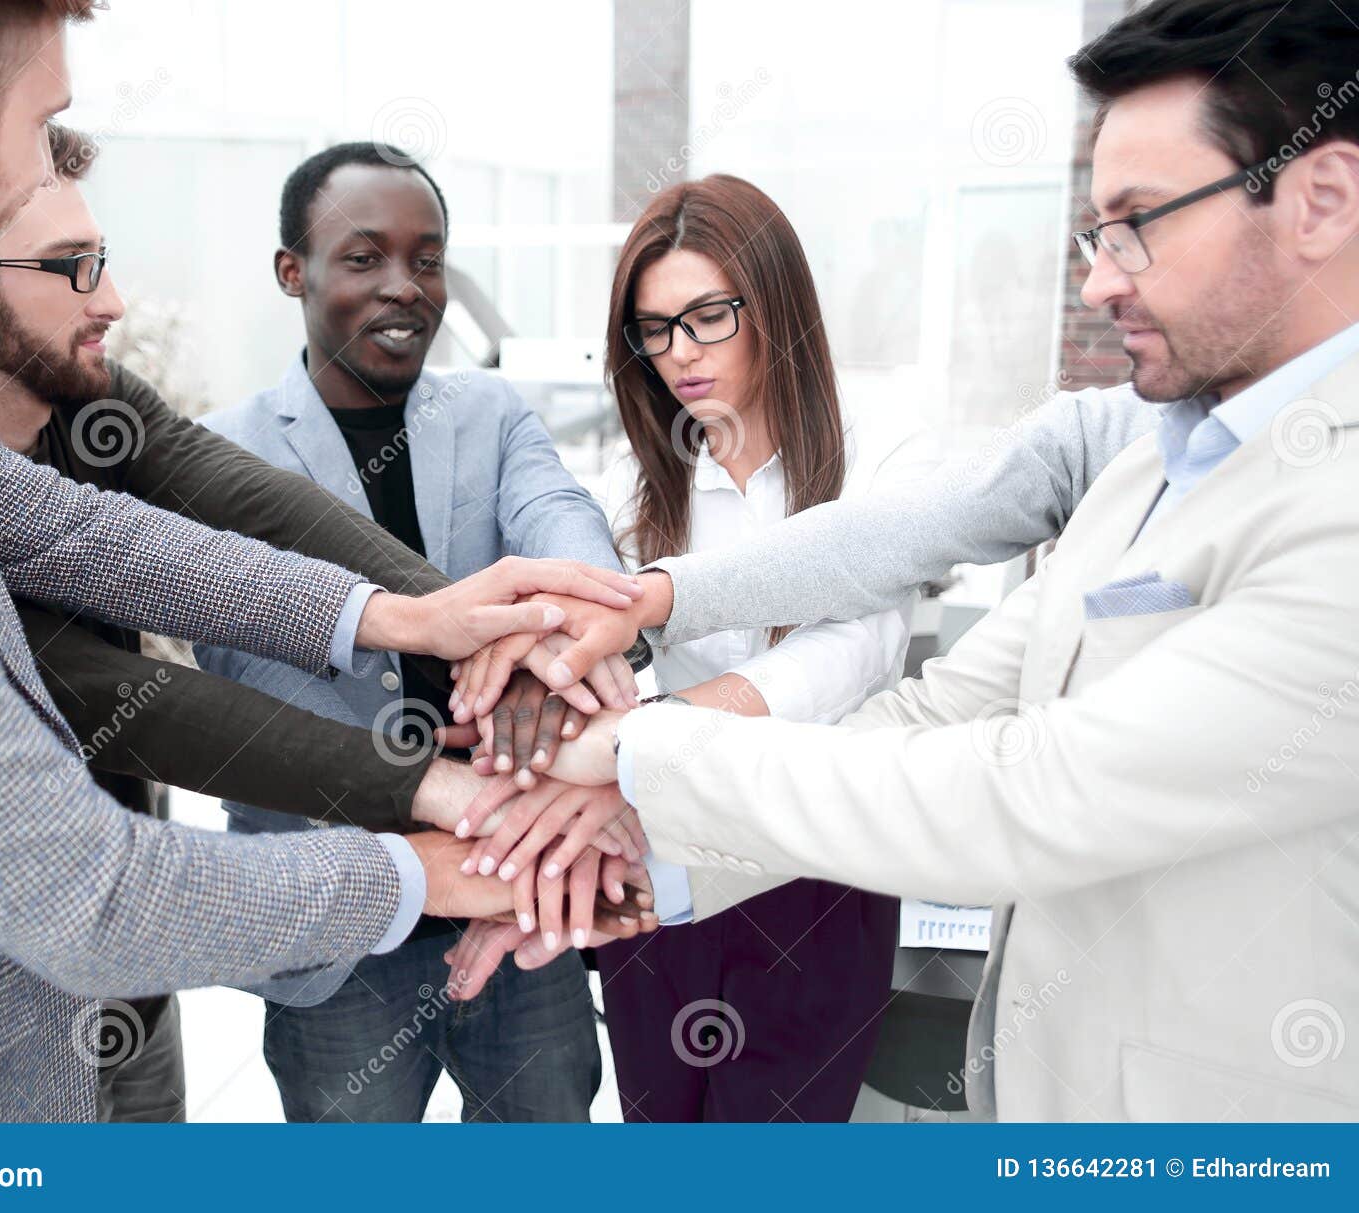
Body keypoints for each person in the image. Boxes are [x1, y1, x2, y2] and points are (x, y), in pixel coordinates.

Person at [459, 0, 1359, 1122]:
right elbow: (936, 708)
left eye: (1139, 223)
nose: (1098, 282)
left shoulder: (1333, 512)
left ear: (1322, 199)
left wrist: (641, 744)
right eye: (1098, 232)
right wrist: (631, 854)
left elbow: (1025, 789)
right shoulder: (1150, 462)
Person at [0, 0, 619, 1123]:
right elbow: (93, 888)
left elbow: (88, 533)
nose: (111, 298)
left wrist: (415, 614)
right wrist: (456, 848)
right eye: (40, 122)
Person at [194, 142, 648, 1123]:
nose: (405, 286)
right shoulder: (222, 453)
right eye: (364, 257)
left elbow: (563, 520)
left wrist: (549, 654)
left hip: (516, 891)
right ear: (292, 272)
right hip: (341, 926)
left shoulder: (489, 411)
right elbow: (234, 655)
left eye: (428, 259)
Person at [584, 173, 937, 1122]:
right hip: (664, 854)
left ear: (775, 303)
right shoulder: (635, 482)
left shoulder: (882, 449)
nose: (679, 353)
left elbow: (853, 649)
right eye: (653, 329)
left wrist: (657, 729)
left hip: (816, 866)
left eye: (708, 317)